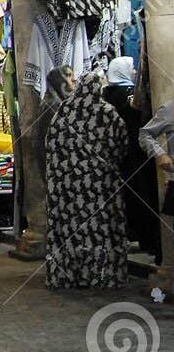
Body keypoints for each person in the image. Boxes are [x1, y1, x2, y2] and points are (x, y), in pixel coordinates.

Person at [45, 71, 128, 289]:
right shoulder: (107, 113)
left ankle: (68, 274)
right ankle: (101, 275)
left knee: (71, 229)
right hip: (100, 185)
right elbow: (122, 143)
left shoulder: (64, 111)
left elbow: (51, 144)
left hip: (67, 187)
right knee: (100, 229)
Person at [100, 57, 160, 260]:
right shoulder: (129, 96)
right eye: (132, 68)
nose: (135, 71)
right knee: (144, 195)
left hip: (119, 157)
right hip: (137, 155)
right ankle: (151, 242)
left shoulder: (105, 97)